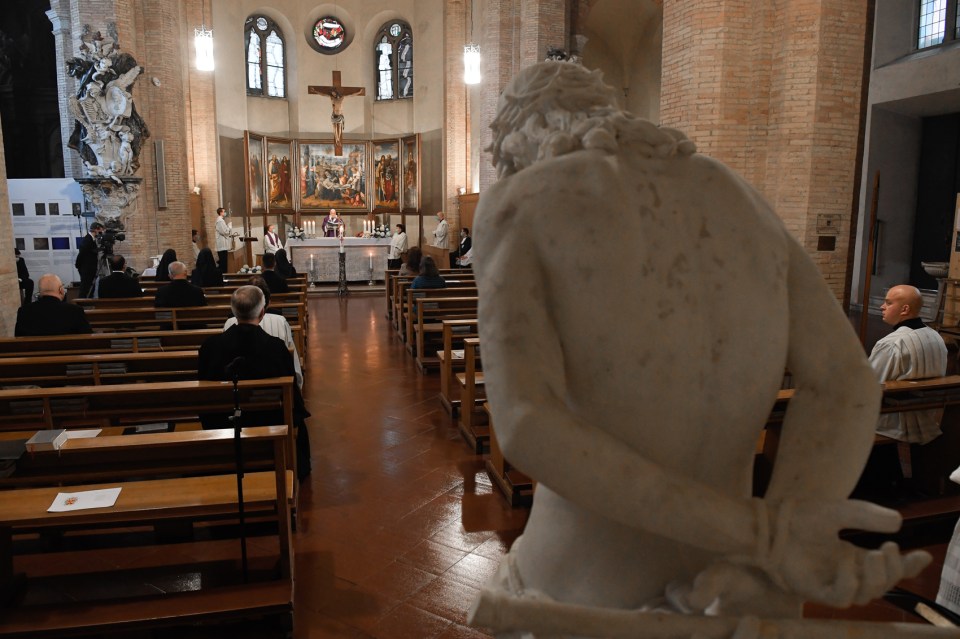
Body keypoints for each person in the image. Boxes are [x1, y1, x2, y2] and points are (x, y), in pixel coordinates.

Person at [466, 62, 926, 636]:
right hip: (737, 591)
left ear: (518, 139)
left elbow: (526, 422)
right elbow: (845, 380)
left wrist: (759, 534)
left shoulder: (521, 201)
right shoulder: (740, 198)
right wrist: (789, 536)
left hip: (580, 592)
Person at [198, 285, 311, 480]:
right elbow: (291, 392)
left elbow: (203, 389)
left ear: (233, 312)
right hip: (268, 421)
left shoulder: (210, 347)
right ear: (262, 313)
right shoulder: (275, 347)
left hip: (222, 421)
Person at [868, 284, 948, 444]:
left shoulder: (891, 343)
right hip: (925, 417)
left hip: (893, 421)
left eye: (888, 303)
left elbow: (869, 386)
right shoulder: (936, 337)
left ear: (904, 309)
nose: (882, 306)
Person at [224, 276, 302, 389]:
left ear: (234, 310)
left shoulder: (214, 342)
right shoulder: (278, 340)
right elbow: (294, 373)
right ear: (262, 312)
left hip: (229, 394)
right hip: (273, 394)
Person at [15, 273, 92, 336]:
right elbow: (88, 337)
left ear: (40, 292)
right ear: (61, 290)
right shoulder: (75, 311)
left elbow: (18, 338)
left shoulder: (24, 311)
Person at [75, 221, 104, 298]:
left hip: (89, 268)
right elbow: (82, 252)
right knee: (85, 288)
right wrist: (79, 266)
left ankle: (89, 302)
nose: (101, 233)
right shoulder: (87, 239)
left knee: (90, 287)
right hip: (86, 269)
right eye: (100, 231)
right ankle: (82, 303)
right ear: (96, 230)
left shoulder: (92, 239)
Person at [215, 207, 235, 272]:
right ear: (221, 212)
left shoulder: (221, 220)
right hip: (222, 246)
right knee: (223, 263)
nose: (225, 213)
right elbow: (224, 232)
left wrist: (228, 227)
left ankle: (224, 274)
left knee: (224, 262)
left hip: (223, 246)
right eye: (224, 211)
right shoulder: (220, 221)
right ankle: (223, 276)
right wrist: (229, 227)